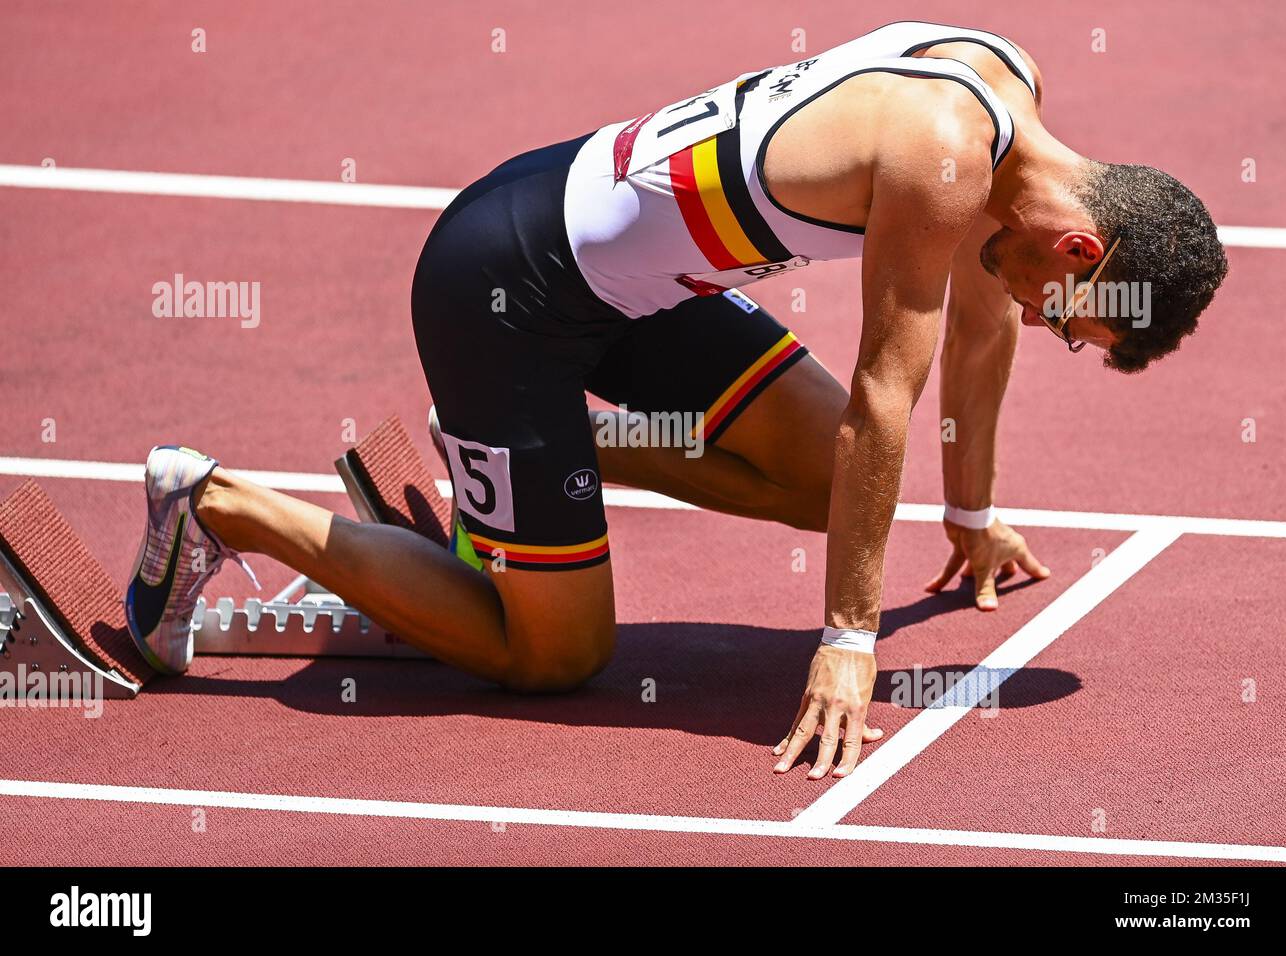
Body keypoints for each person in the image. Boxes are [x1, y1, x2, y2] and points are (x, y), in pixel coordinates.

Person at [125, 21, 1227, 781]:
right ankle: (213, 504)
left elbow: (985, 329)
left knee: (830, 488)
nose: (1041, 320)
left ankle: (537, 460)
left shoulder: (1001, 89)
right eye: (1069, 318)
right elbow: (883, 402)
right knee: (553, 660)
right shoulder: (941, 164)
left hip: (641, 289)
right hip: (505, 286)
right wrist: (848, 639)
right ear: (1080, 248)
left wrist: (971, 516)